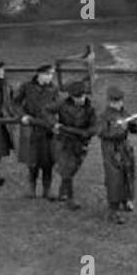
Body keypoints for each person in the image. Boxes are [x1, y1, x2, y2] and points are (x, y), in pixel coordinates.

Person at [48, 80, 96, 209]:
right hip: (64, 141)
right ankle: (70, 199)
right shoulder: (62, 104)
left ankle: (58, 190)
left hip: (80, 144)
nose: (80, 100)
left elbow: (94, 127)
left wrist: (86, 133)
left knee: (73, 168)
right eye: (76, 97)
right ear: (71, 97)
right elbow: (46, 110)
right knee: (67, 169)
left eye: (82, 96)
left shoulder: (90, 109)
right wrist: (54, 124)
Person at [13, 63, 59, 197]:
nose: (50, 77)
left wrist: (54, 122)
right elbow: (15, 103)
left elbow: (58, 107)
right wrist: (23, 116)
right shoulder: (27, 87)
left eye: (51, 75)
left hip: (47, 129)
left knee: (48, 161)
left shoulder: (54, 89)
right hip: (31, 128)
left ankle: (47, 190)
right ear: (40, 74)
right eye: (48, 74)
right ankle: (31, 189)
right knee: (32, 160)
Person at [96, 85, 137, 223]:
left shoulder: (123, 112)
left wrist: (133, 126)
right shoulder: (103, 117)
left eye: (120, 101)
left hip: (124, 148)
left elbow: (133, 128)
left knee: (128, 174)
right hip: (111, 151)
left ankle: (126, 199)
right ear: (109, 101)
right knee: (114, 179)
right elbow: (102, 133)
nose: (118, 104)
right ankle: (113, 211)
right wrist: (120, 129)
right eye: (115, 101)